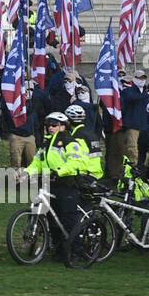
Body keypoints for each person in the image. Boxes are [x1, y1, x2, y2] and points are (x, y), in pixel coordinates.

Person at [25, 111, 86, 260]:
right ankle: (59, 251)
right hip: (49, 184)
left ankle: (77, 251)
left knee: (68, 219)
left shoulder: (70, 142)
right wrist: (26, 172)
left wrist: (60, 172)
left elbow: (75, 162)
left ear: (63, 126)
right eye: (48, 125)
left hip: (67, 184)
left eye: (54, 125)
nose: (50, 128)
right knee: (52, 220)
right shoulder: (46, 143)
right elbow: (37, 162)